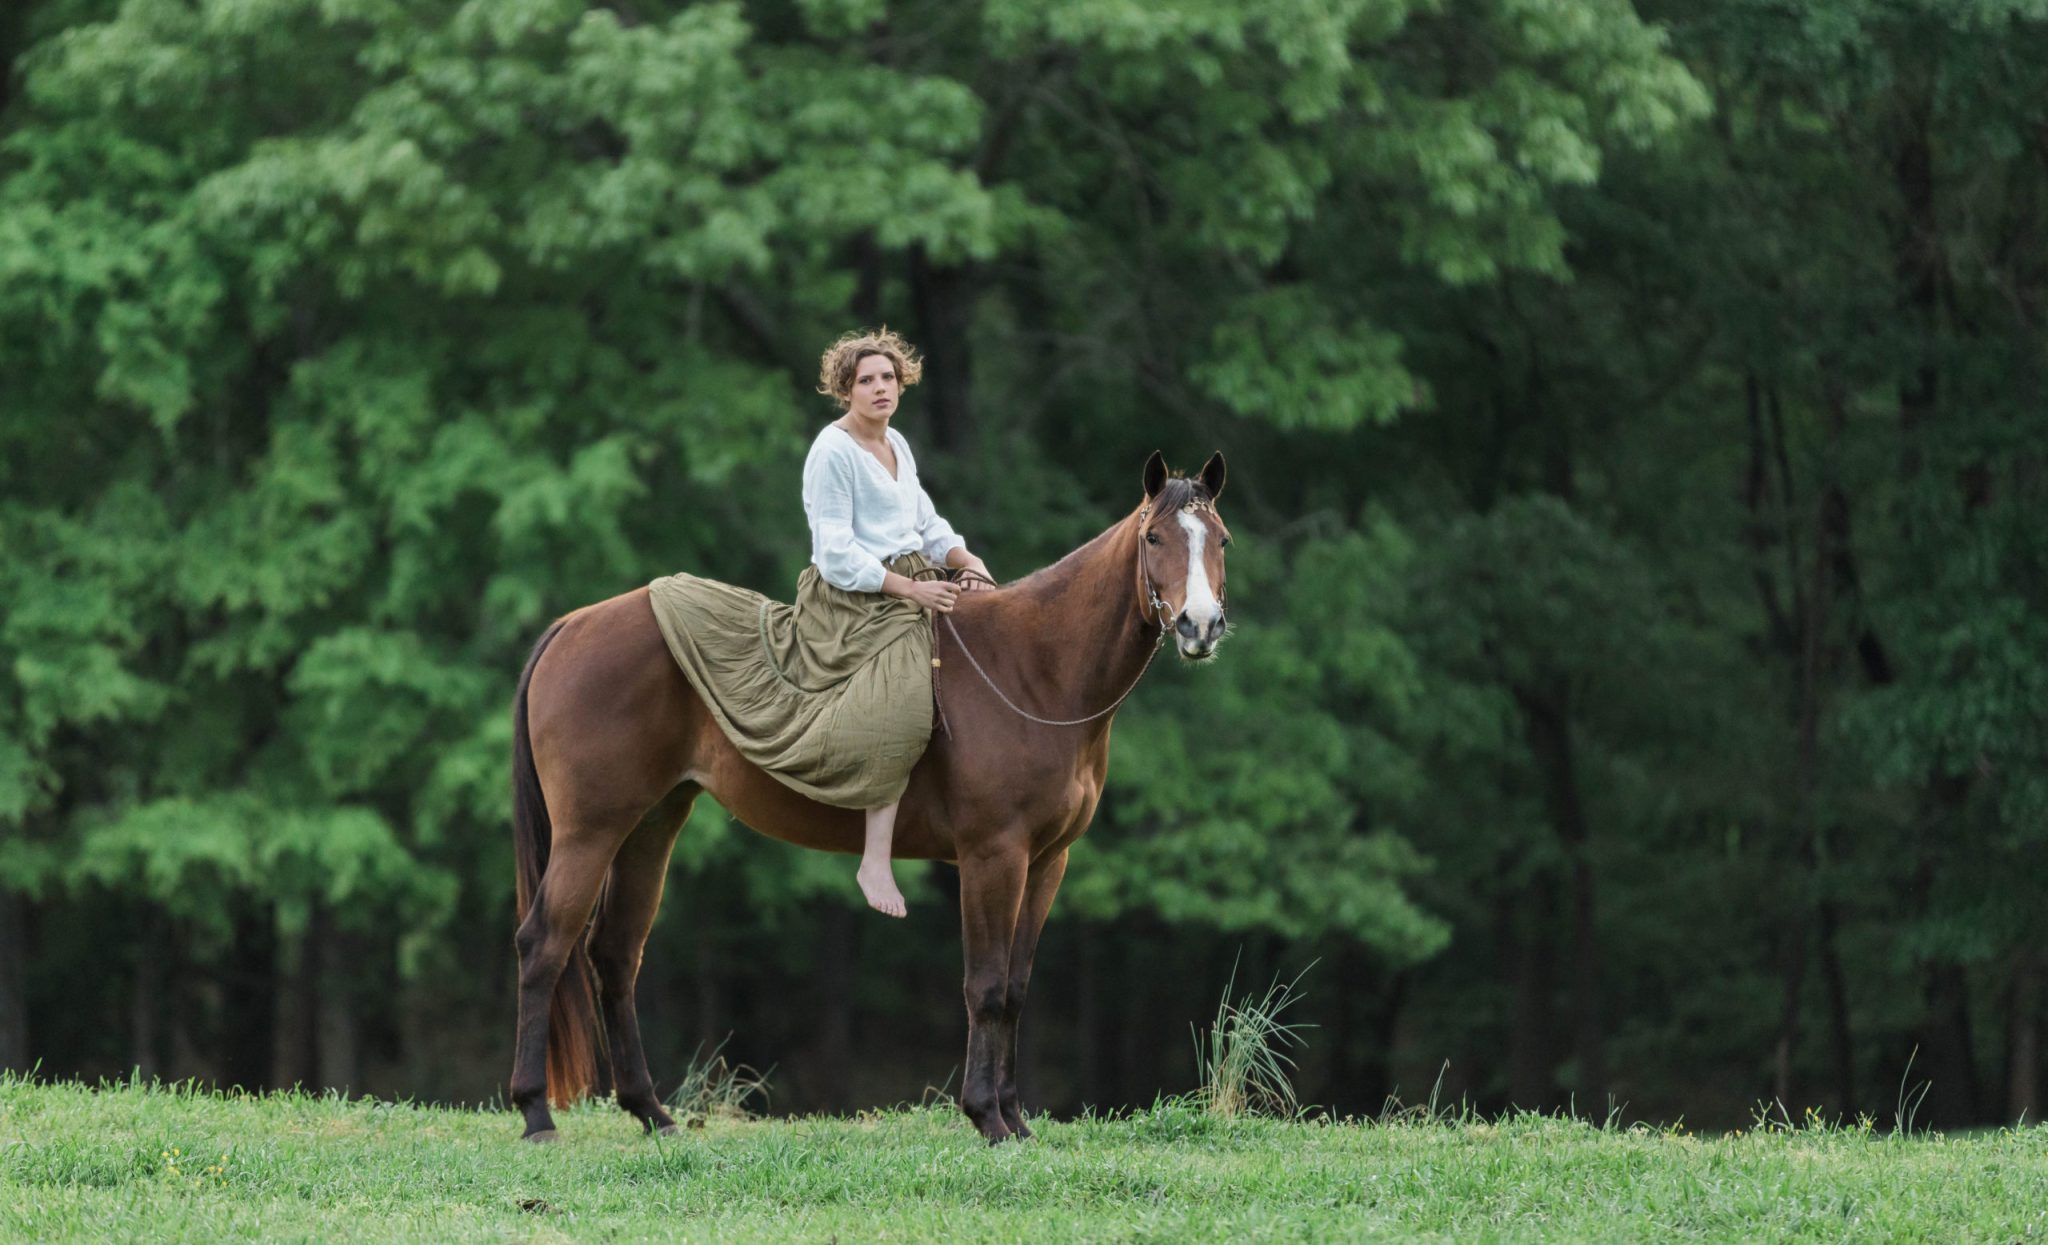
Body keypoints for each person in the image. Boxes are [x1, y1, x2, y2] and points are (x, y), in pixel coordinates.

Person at [803, 329, 994, 917]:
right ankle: (875, 857)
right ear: (846, 390)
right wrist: (910, 588)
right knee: (907, 695)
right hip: (854, 595)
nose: (880, 388)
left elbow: (927, 523)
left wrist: (966, 560)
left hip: (919, 581)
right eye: (866, 380)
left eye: (887, 377)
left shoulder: (898, 444)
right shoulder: (831, 452)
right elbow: (834, 551)